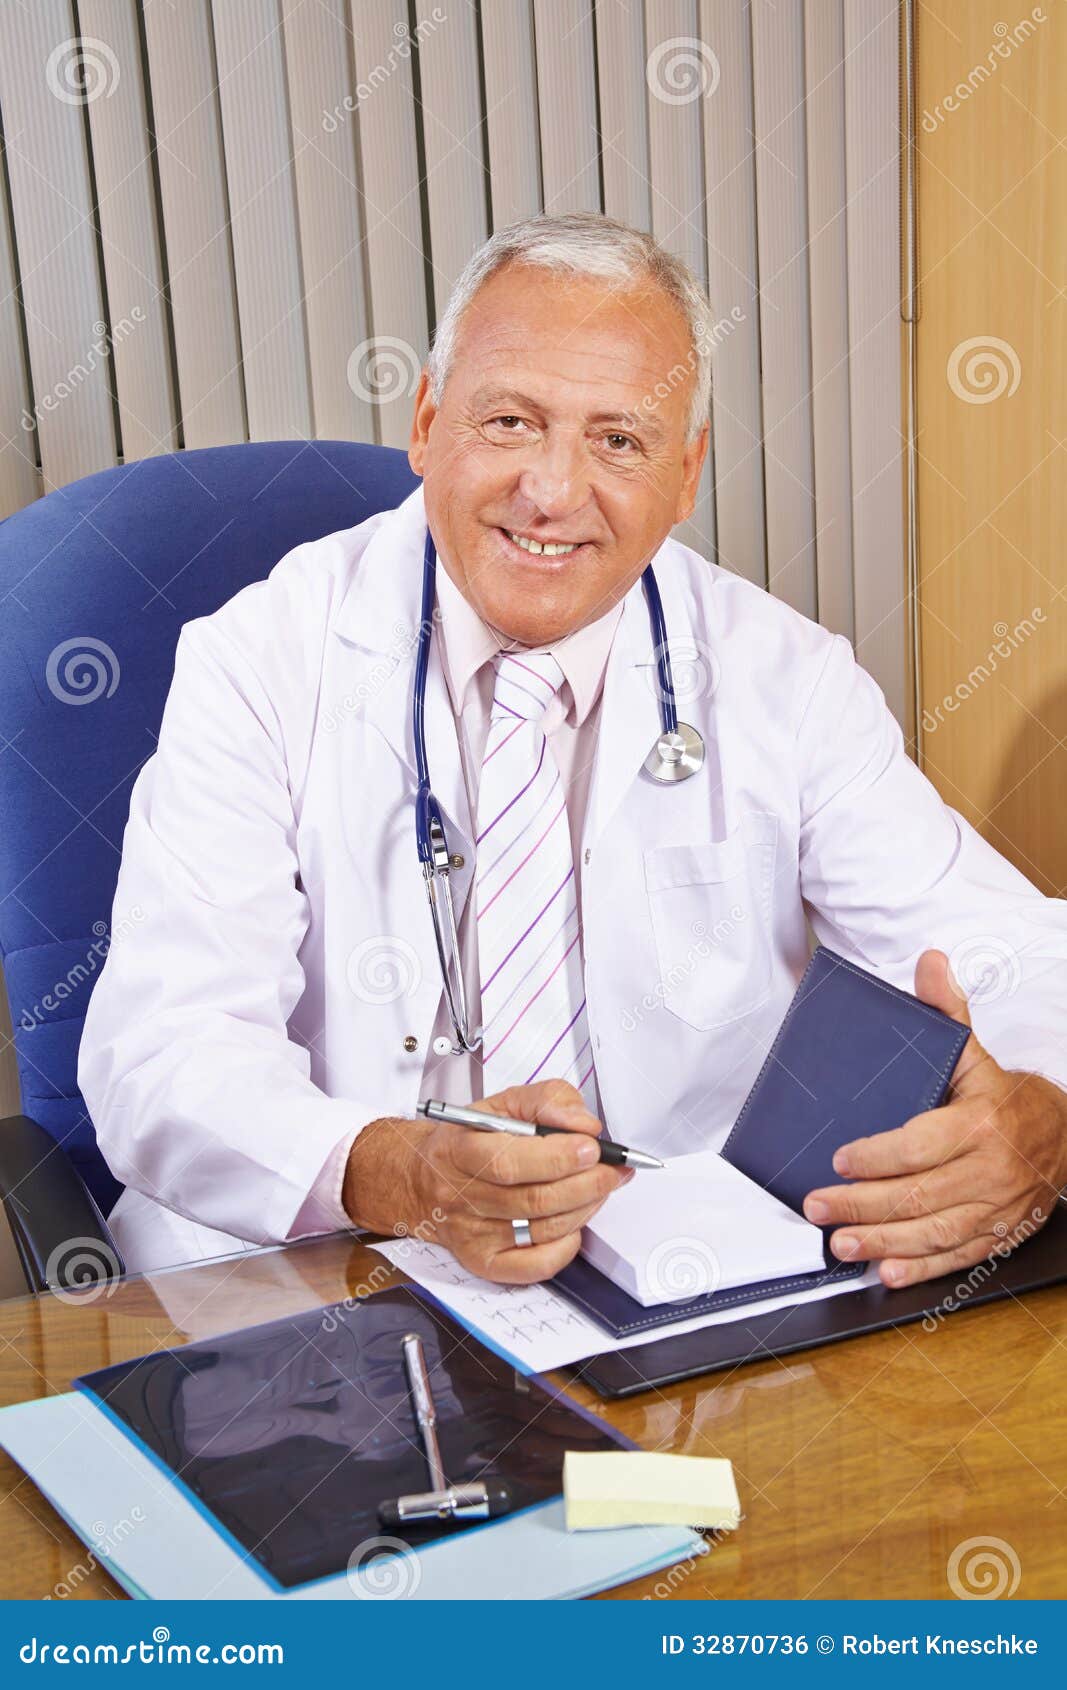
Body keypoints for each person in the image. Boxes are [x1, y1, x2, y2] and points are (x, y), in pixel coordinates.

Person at [78, 212, 1067, 1289]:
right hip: (324, 1280)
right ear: (424, 422)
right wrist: (397, 1171)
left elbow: (1008, 952)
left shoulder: (787, 677)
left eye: (618, 440)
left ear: (684, 477)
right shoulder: (257, 662)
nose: (551, 492)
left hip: (669, 1284)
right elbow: (164, 1053)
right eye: (508, 421)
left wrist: (1043, 1120)